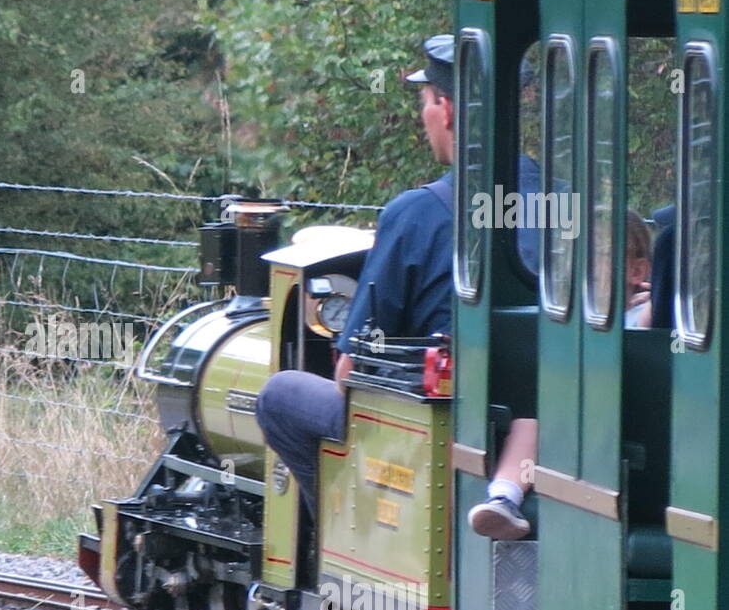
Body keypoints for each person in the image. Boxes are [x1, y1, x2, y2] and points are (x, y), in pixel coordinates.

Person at [255, 34, 456, 521]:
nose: (422, 117)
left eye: (424, 102)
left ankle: (341, 530)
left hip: (432, 417)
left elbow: (350, 369)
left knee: (279, 397)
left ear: (446, 109)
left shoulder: (416, 214)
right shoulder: (559, 202)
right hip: (528, 417)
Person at [469, 210, 657, 540]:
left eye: (597, 255)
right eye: (570, 256)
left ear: (636, 271)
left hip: (624, 438)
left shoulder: (643, 315)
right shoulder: (571, 322)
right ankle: (504, 499)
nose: (579, 267)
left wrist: (657, 298)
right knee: (529, 426)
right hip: (571, 439)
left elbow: (654, 328)